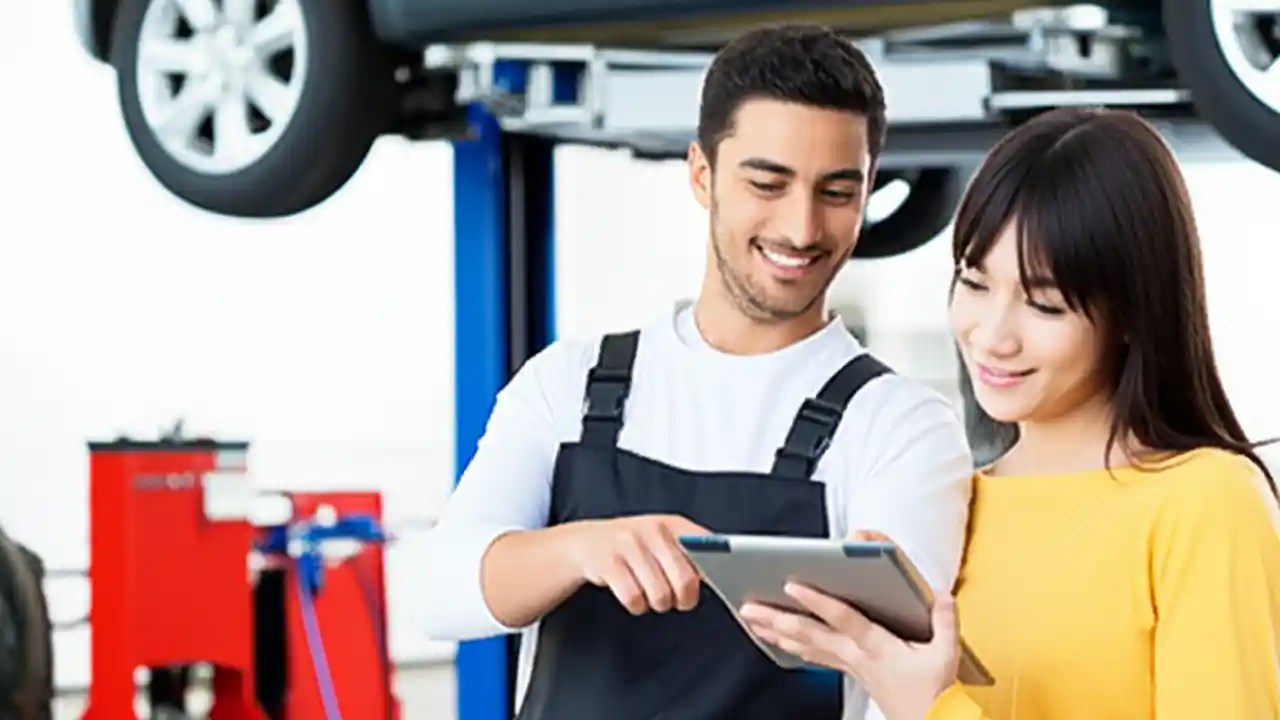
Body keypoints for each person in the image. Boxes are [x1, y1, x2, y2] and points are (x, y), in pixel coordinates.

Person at [419, 23, 975, 720]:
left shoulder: (900, 426)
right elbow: (437, 594)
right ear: (701, 174)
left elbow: (902, 689)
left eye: (837, 192)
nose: (801, 228)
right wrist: (580, 548)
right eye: (767, 183)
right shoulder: (570, 383)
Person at [738, 106, 1280, 719]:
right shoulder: (953, 505)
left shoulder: (1205, 502)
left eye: (1044, 304)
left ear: (1132, 313)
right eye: (974, 282)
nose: (993, 336)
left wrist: (933, 707)